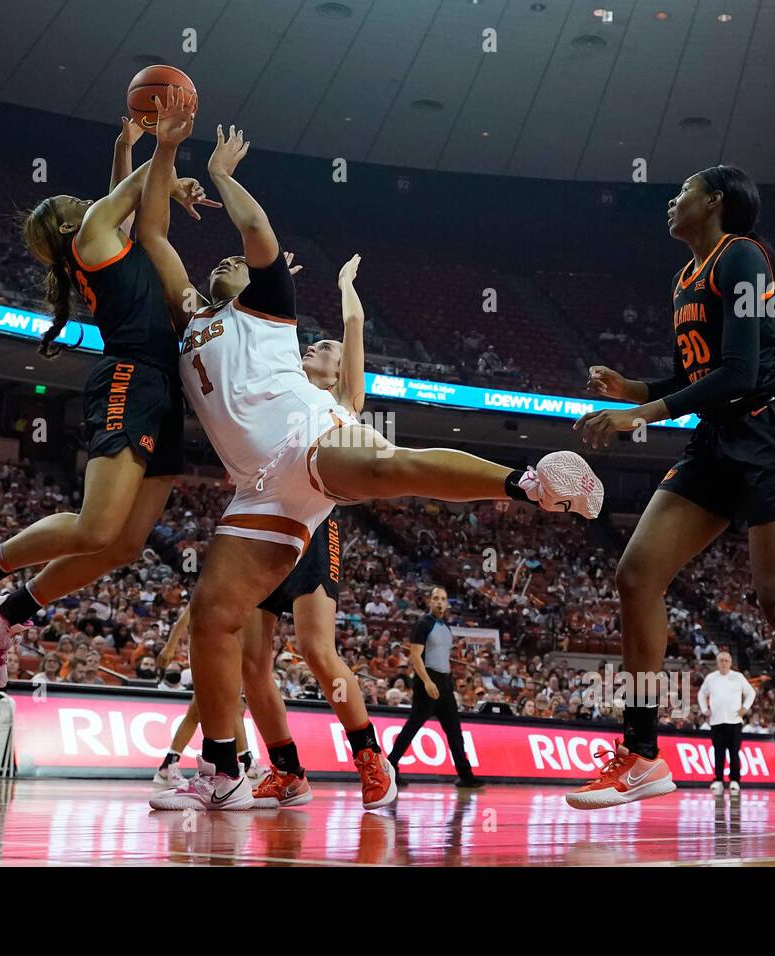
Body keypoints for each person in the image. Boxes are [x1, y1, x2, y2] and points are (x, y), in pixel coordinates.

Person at [136, 90, 600, 811]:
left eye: (236, 260)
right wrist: (161, 149)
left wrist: (221, 174)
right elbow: (156, 234)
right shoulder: (192, 312)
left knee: (387, 473)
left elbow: (255, 229)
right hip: (256, 488)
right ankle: (228, 769)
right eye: (221, 260)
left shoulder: (267, 303)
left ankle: (530, 480)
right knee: (213, 619)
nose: (228, 258)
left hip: (310, 437)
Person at [569, 165, 775, 832]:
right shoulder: (681, 279)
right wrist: (636, 390)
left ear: (715, 201)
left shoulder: (742, 258)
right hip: (718, 443)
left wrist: (647, 414)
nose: (671, 199)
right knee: (636, 574)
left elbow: (742, 372)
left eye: (683, 190)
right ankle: (641, 753)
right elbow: (698, 373)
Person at [0, 129, 219, 685]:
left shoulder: (107, 243)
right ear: (69, 226)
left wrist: (126, 150)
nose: (87, 204)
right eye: (76, 205)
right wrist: (166, 148)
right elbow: (123, 199)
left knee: (124, 544)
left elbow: (124, 199)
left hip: (162, 388)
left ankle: (8, 612)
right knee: (94, 527)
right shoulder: (91, 238)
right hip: (129, 377)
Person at [237, 255, 397, 811]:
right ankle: (286, 771)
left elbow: (353, 330)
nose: (317, 350)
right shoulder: (280, 391)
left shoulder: (343, 402)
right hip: (261, 525)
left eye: (324, 351)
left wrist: (346, 284)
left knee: (314, 649)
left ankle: (370, 757)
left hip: (312, 524)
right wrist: (264, 291)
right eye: (312, 346)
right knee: (250, 661)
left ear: (336, 371)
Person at [384, 587, 483, 789]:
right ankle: (390, 768)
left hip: (445, 683)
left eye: (443, 599)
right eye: (436, 598)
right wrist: (427, 681)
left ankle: (466, 775)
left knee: (455, 731)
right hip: (427, 680)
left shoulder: (446, 627)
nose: (439, 602)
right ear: (430, 601)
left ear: (447, 604)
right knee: (412, 727)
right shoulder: (423, 624)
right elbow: (415, 656)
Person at [152, 607, 261, 787]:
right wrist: (170, 646)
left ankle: (167, 766)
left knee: (203, 711)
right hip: (209, 649)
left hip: (225, 650)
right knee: (230, 704)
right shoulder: (217, 582)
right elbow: (187, 613)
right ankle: (248, 764)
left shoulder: (239, 590)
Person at [697, 651, 755, 794]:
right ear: (717, 663)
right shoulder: (711, 678)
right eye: (721, 660)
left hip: (734, 721)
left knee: (734, 752)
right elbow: (701, 694)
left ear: (730, 663)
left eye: (726, 661)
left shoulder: (738, 677)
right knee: (718, 753)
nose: (723, 663)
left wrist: (745, 708)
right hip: (716, 722)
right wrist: (705, 709)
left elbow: (751, 693)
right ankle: (718, 780)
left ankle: (735, 780)